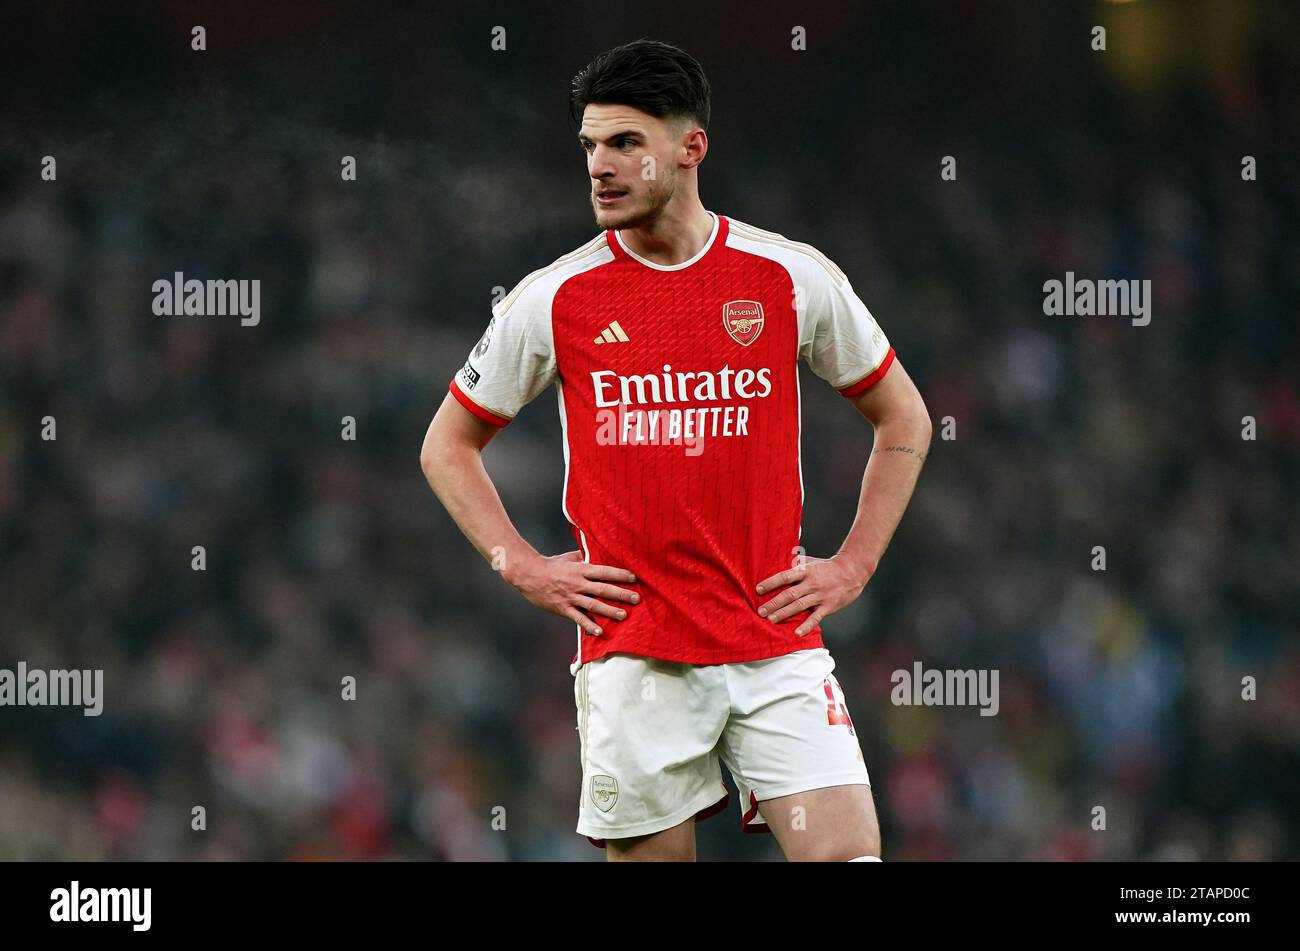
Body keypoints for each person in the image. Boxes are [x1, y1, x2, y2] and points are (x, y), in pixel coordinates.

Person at [420, 39, 931, 861]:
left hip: (776, 642)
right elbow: (447, 444)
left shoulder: (786, 277)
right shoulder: (556, 297)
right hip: (636, 657)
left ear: (690, 148)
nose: (600, 166)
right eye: (589, 145)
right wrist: (521, 563)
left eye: (625, 143)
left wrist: (853, 565)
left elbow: (903, 417)